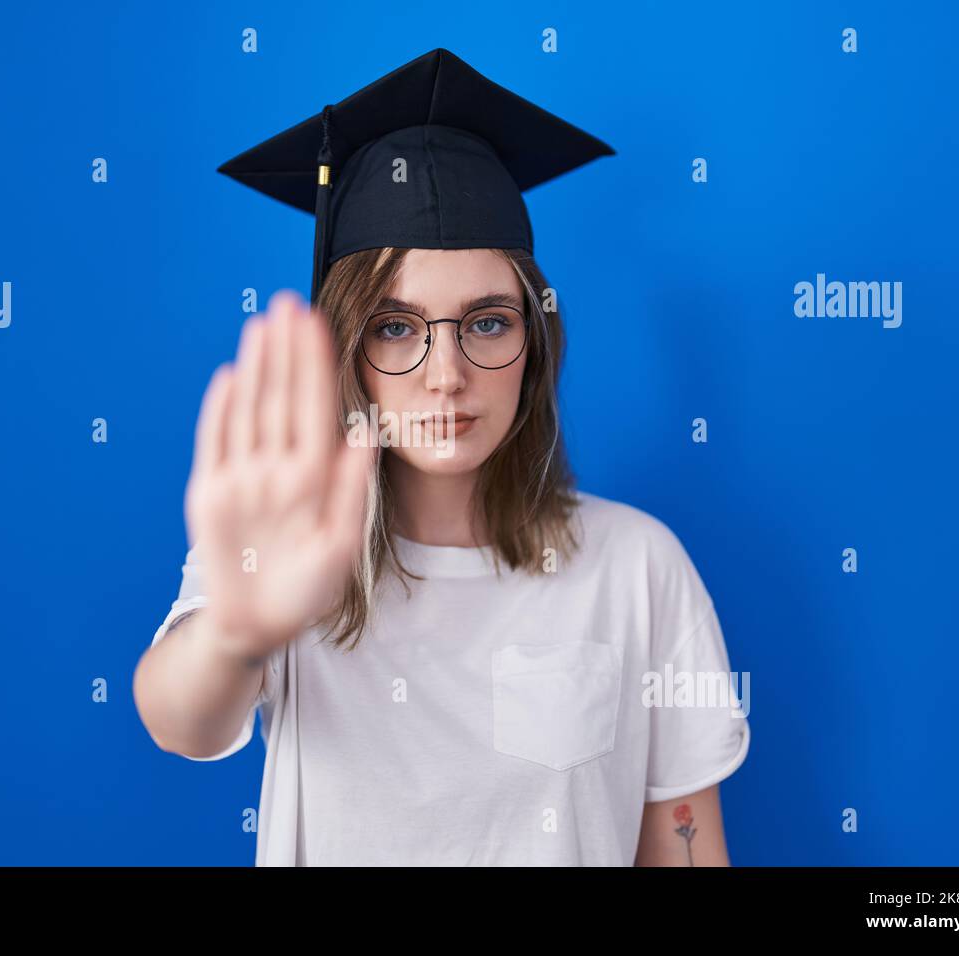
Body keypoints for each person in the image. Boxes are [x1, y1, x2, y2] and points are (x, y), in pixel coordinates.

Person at [133, 48, 749, 866]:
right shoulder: (282, 549)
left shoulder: (637, 566)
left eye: (488, 322)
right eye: (396, 328)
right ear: (346, 350)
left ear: (535, 342)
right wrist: (239, 635)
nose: (447, 375)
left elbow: (684, 847)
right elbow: (180, 719)